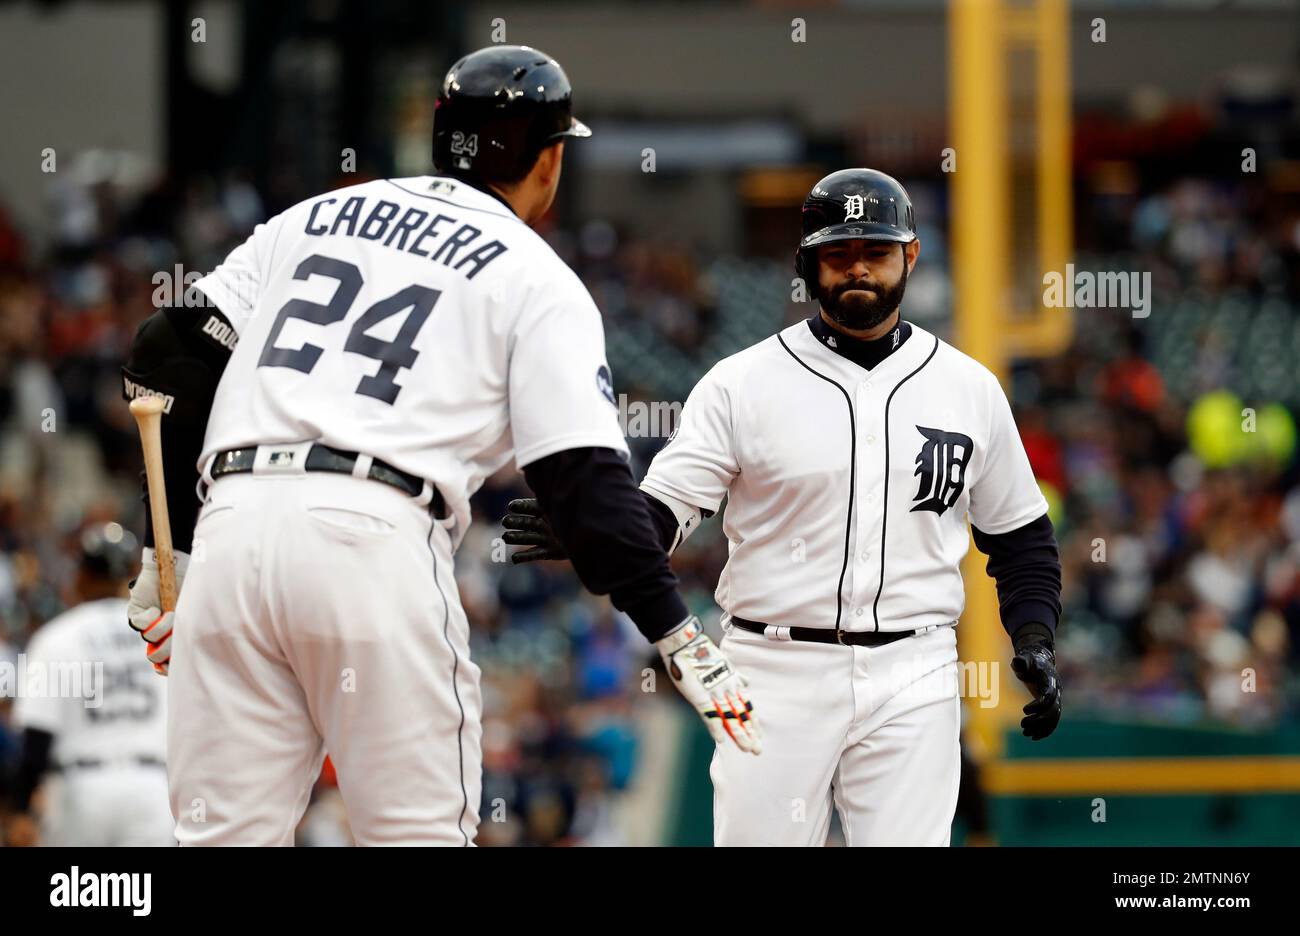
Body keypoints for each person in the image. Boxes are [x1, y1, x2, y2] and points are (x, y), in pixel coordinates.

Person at [120, 45, 760, 847]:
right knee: (416, 836)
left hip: (230, 532)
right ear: (549, 159)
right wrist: (675, 631)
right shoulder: (537, 275)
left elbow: (164, 352)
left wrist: (163, 549)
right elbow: (586, 487)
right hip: (370, 534)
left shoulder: (316, 215)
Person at [503, 168, 1062, 846]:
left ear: (910, 255)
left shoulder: (969, 387)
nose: (858, 268)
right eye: (838, 253)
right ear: (806, 264)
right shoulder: (741, 383)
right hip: (772, 669)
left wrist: (1033, 637)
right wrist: (604, 530)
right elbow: (669, 509)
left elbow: (1021, 536)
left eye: (875, 251)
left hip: (915, 669)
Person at [8, 523, 172, 846]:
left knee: (82, 894)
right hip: (152, 789)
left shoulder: (58, 636)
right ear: (131, 576)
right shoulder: (159, 635)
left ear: (81, 575)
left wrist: (22, 808)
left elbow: (37, 736)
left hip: (80, 791)